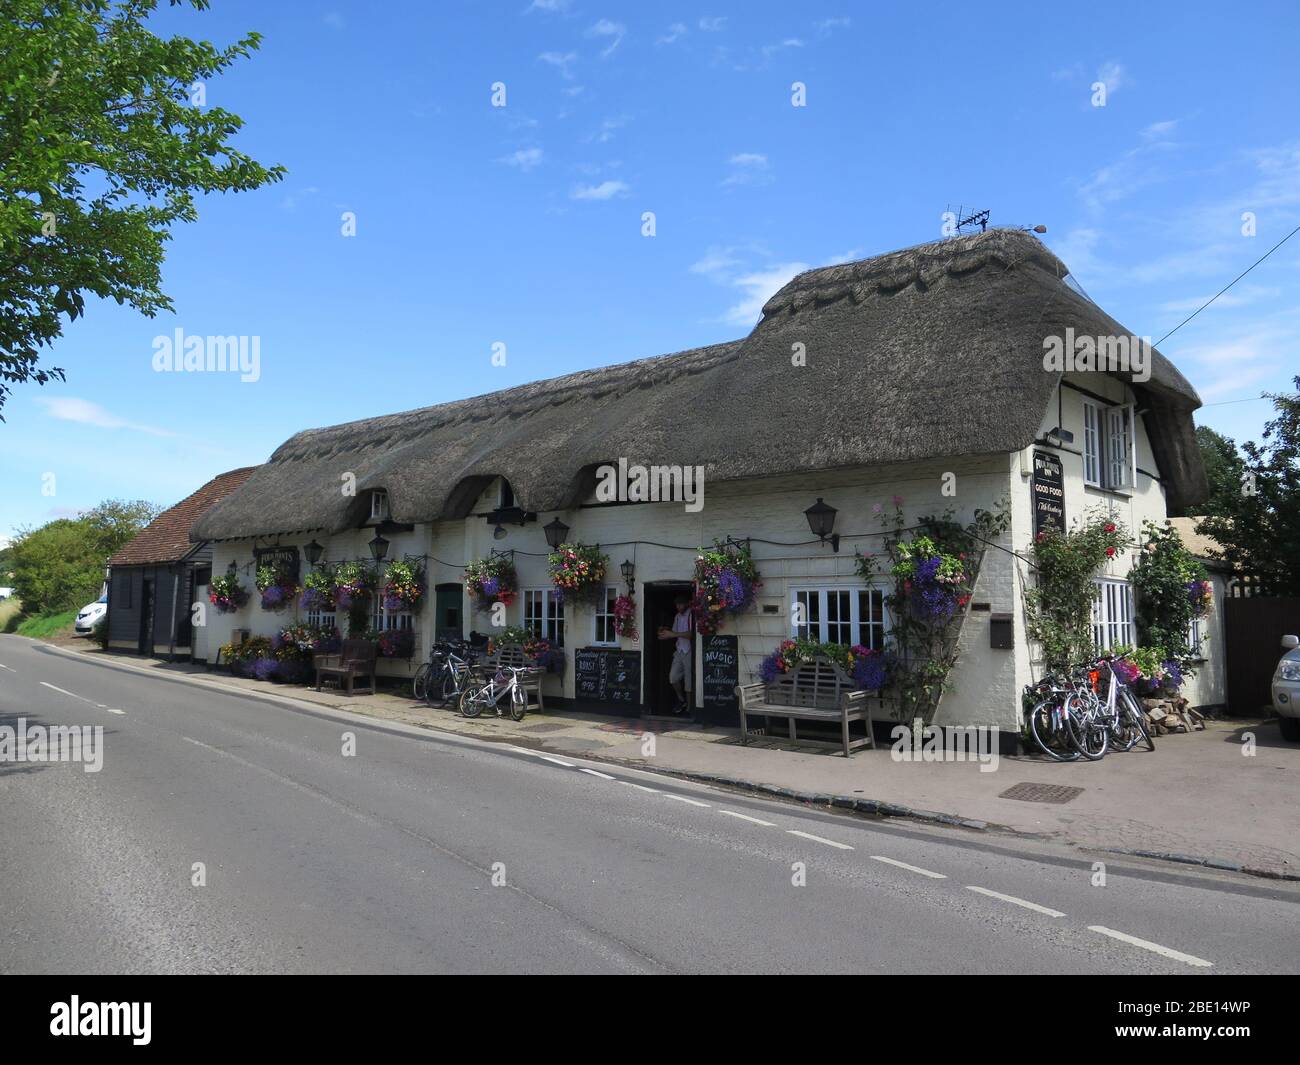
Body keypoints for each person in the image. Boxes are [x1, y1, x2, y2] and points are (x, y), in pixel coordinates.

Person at [658, 592, 694, 716]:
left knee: (689, 681)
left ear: (686, 604)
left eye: (681, 604)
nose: (678, 607)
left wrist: (673, 634)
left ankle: (689, 707)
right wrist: (665, 632)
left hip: (689, 650)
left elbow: (691, 634)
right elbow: (674, 632)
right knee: (673, 678)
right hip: (679, 650)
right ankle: (681, 700)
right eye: (677, 605)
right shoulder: (678, 616)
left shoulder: (691, 614)